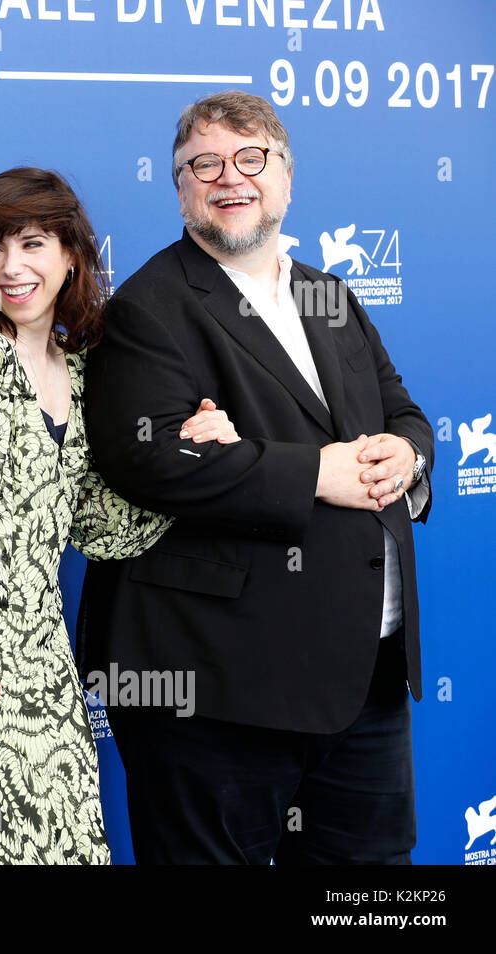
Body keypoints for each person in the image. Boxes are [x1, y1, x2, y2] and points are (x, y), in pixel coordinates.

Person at [80, 91, 433, 864]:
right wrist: (316, 472)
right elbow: (147, 457)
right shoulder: (149, 308)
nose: (228, 178)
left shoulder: (327, 295)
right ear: (180, 188)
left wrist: (409, 459)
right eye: (203, 164)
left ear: (286, 177)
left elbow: (403, 411)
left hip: (363, 679)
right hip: (218, 689)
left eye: (251, 159)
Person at [0, 168, 236, 864]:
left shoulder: (76, 369)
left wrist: (189, 454)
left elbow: (98, 526)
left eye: (32, 243)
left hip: (50, 663)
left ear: (72, 253)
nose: (11, 267)